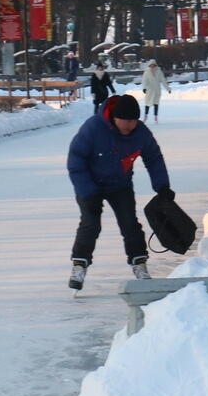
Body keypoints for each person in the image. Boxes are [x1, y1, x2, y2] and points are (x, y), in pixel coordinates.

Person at [67, 93, 170, 288]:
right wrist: (88, 192)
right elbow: (75, 161)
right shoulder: (93, 128)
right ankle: (79, 265)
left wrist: (162, 186)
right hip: (90, 185)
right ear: (114, 117)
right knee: (90, 224)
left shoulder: (141, 133)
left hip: (120, 185)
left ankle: (139, 263)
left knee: (130, 224)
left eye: (133, 121)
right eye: (125, 121)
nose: (129, 126)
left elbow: (154, 158)